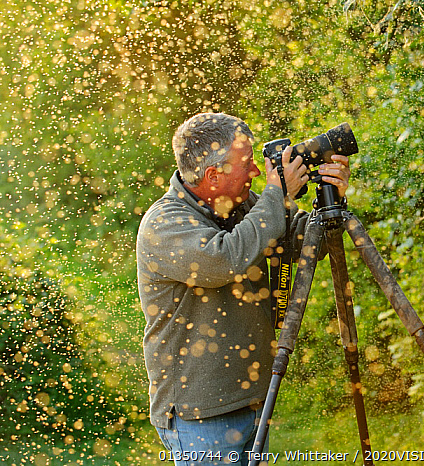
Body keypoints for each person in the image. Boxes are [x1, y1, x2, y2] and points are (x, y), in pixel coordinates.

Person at [136, 113, 350, 465]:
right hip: (201, 414)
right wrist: (277, 195)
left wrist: (331, 202)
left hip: (252, 400)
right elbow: (225, 260)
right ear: (212, 175)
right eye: (247, 162)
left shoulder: (242, 207)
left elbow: (301, 246)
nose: (255, 172)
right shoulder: (165, 224)